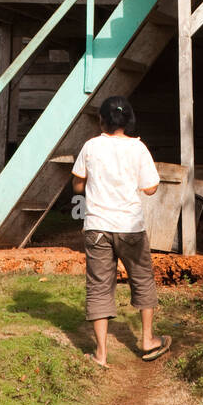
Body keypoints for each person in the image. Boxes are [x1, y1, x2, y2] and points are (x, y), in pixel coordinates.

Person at [72, 95, 171, 367]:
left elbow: (78, 186)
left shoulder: (90, 147)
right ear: (128, 121)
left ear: (101, 120)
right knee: (142, 279)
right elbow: (151, 187)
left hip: (97, 228)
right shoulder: (139, 149)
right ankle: (148, 340)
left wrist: (92, 182)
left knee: (99, 287)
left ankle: (101, 354)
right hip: (130, 227)